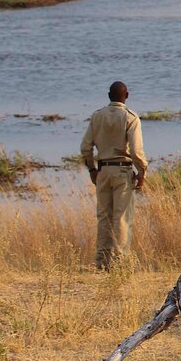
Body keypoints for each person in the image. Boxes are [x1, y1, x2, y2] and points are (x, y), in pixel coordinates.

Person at [79, 80, 146, 270]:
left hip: (103, 170)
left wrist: (92, 168)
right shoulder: (131, 118)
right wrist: (142, 171)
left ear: (109, 96)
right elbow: (136, 151)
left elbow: (85, 147)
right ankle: (119, 262)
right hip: (123, 171)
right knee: (122, 218)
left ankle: (101, 261)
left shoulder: (97, 116)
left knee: (103, 216)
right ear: (127, 96)